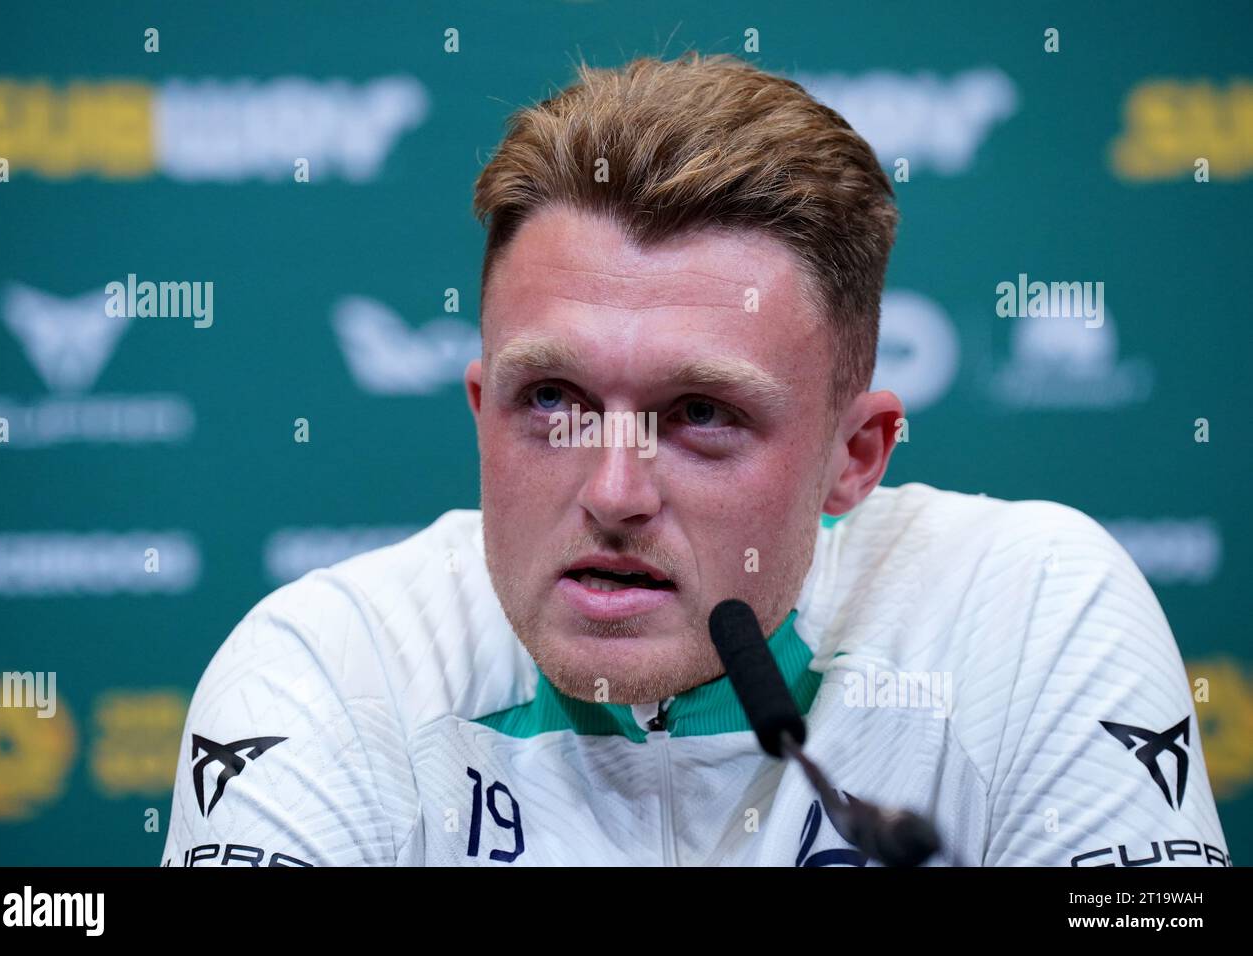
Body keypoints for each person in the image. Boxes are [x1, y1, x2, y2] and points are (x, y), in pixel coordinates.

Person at [162, 52, 1228, 867]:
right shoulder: (330, 671)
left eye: (701, 413)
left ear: (854, 457)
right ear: (483, 413)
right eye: (553, 401)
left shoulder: (1028, 615)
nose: (614, 493)